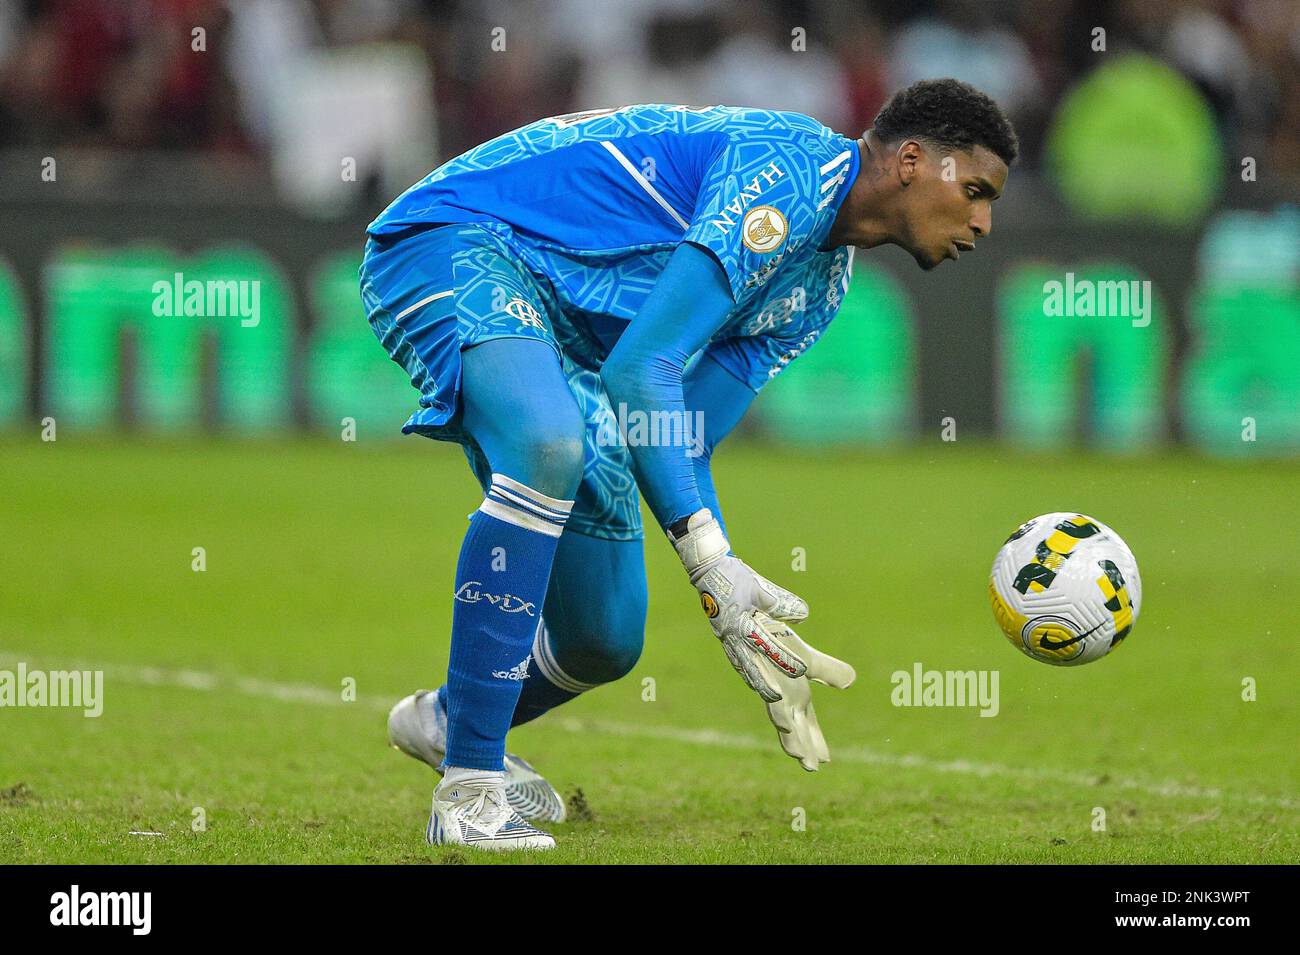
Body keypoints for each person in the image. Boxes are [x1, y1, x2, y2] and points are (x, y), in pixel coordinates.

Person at [360, 79, 1017, 850]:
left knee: (604, 636)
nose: (983, 220)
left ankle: (447, 718)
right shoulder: (790, 167)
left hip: (562, 332)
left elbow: (684, 435)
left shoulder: (819, 288)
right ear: (911, 160)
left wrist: (729, 592)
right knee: (549, 445)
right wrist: (705, 558)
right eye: (974, 190)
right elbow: (643, 369)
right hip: (458, 239)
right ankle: (470, 786)